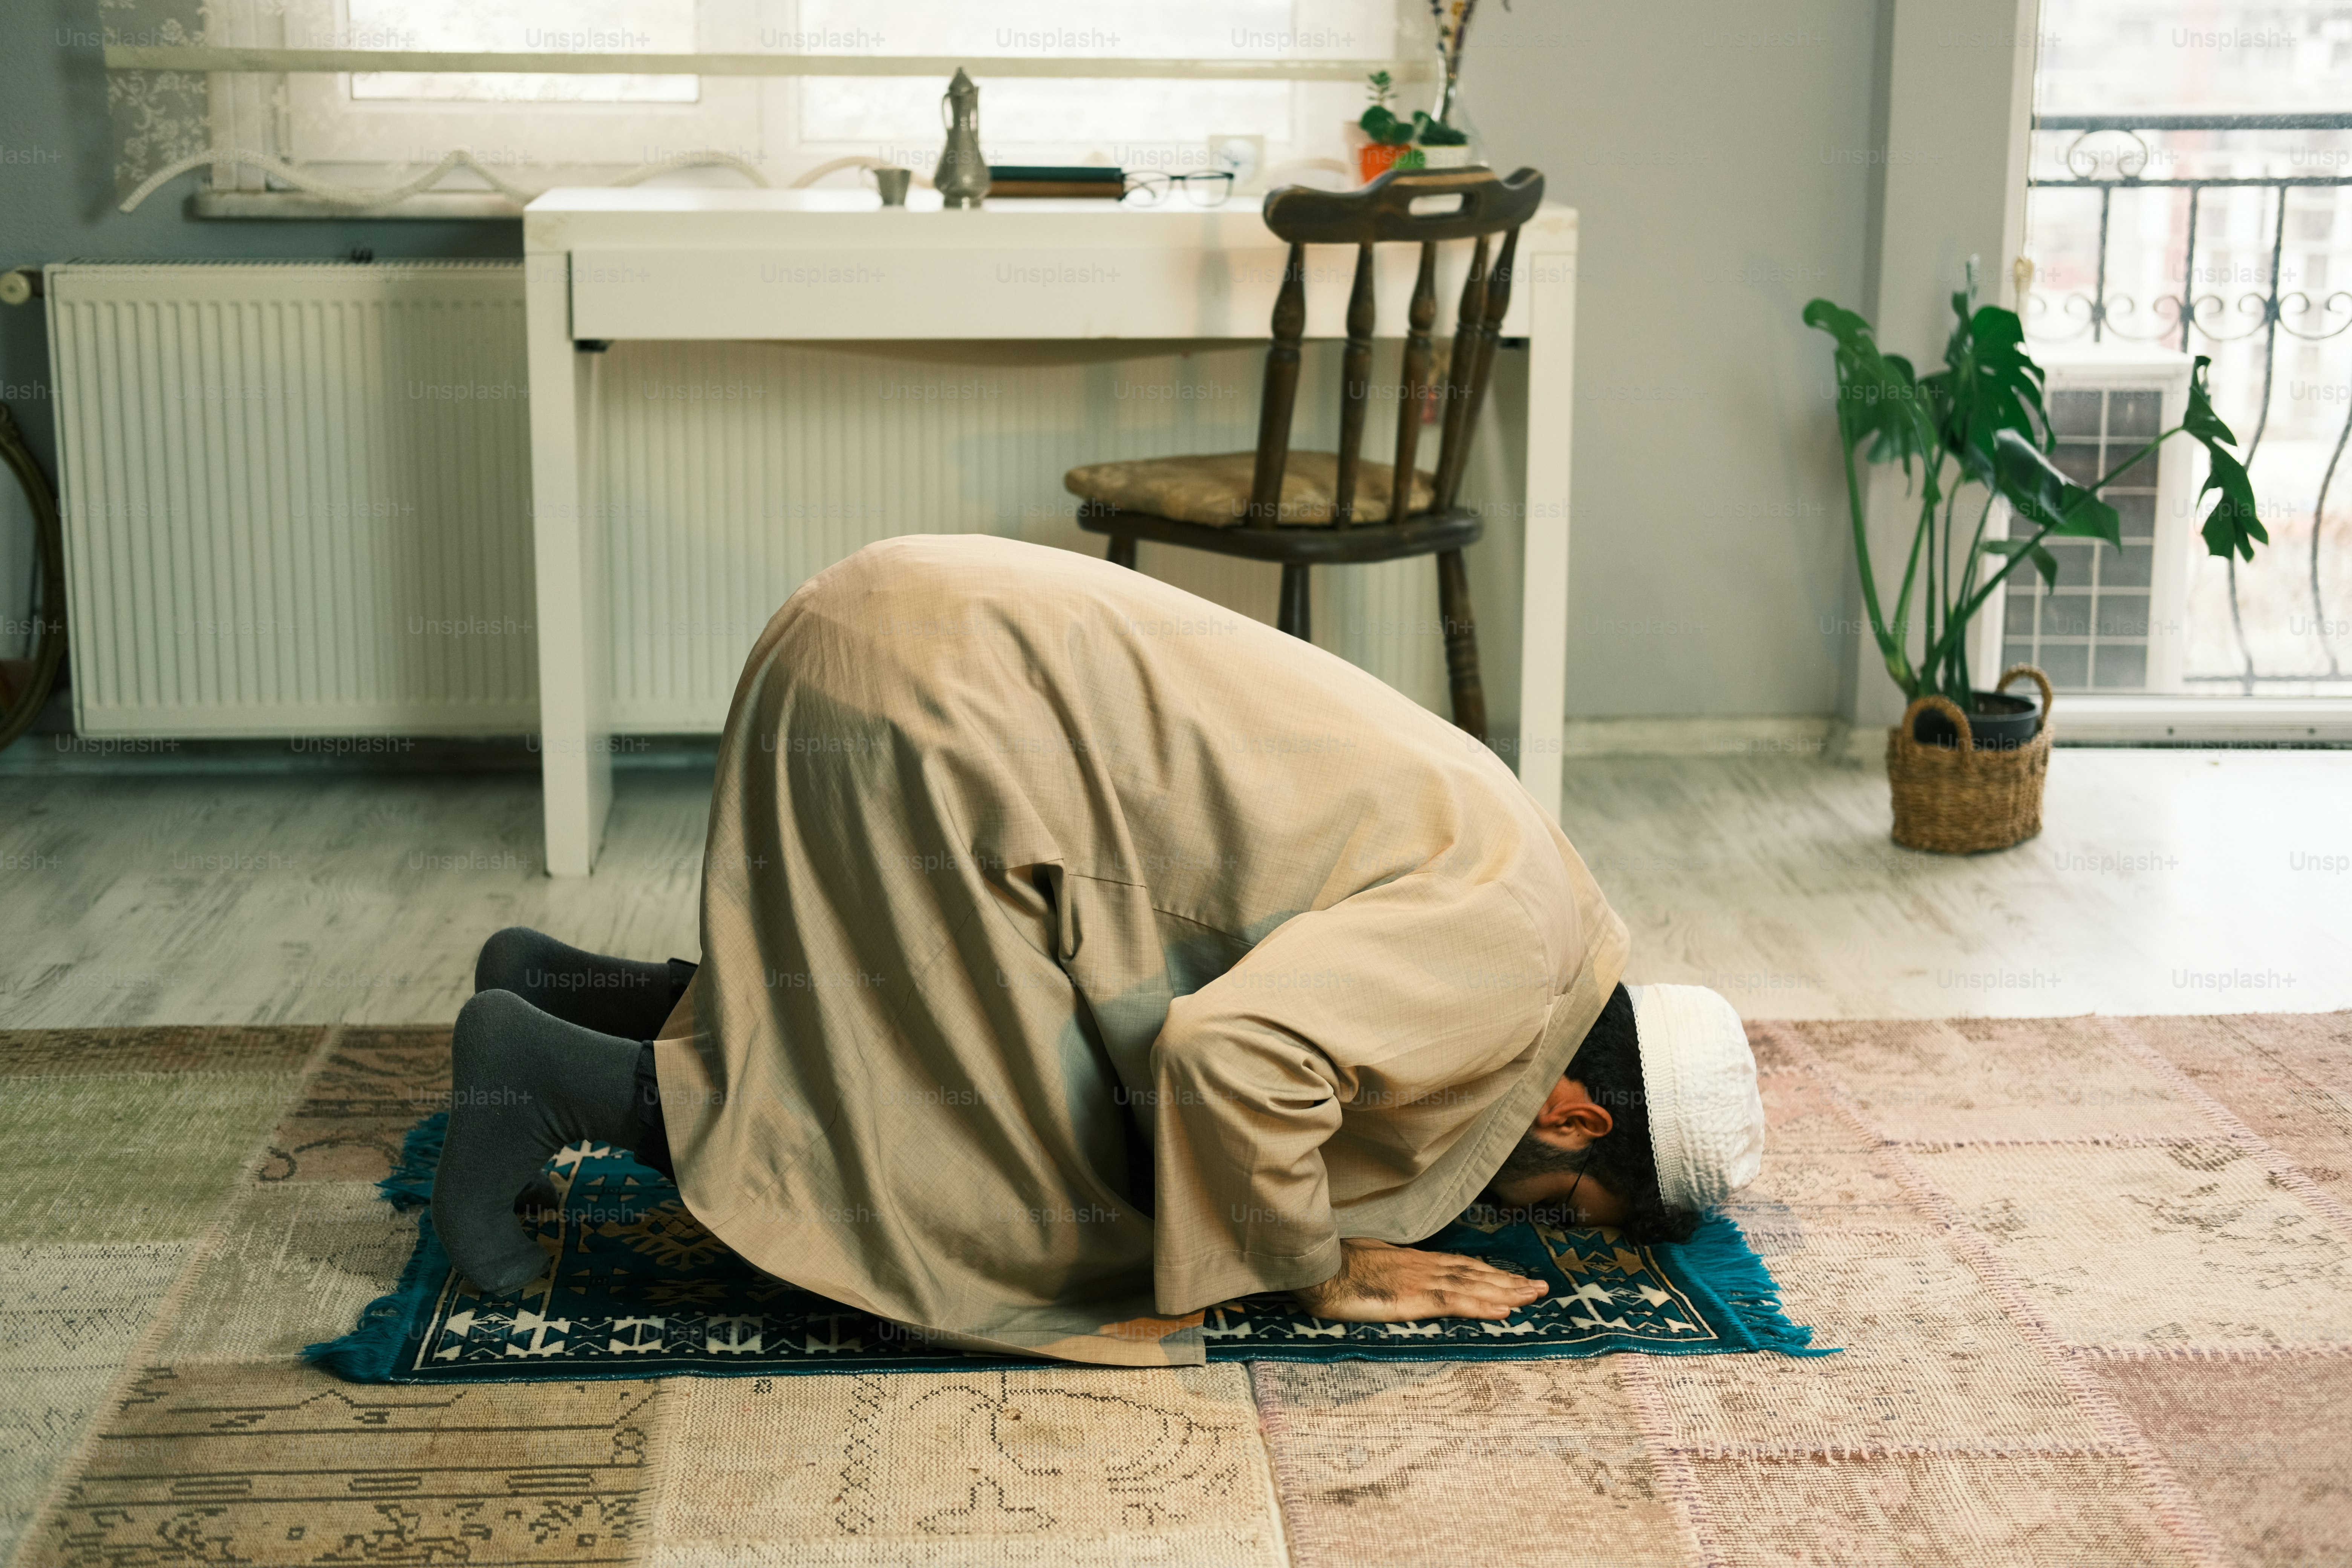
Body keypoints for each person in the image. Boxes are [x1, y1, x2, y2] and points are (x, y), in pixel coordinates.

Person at [433, 534, 1765, 1366]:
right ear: (1582, 1116)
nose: (1520, 1221)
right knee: (1024, 1205)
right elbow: (1230, 1051)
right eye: (1559, 1207)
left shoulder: (1549, 894)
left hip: (893, 624)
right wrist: (1318, 1265)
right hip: (937, 720)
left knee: (893, 1021)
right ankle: (556, 1077)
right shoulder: (1504, 962)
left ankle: (568, 990)